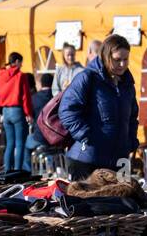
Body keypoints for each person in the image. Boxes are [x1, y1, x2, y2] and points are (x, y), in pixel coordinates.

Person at [58, 34, 139, 181]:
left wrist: (131, 140)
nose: (122, 64)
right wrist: (85, 135)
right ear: (106, 56)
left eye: (125, 59)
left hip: (119, 160)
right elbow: (67, 110)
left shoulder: (127, 84)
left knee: (120, 202)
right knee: (89, 203)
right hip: (87, 159)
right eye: (117, 60)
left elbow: (132, 116)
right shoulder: (87, 78)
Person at [0, 51, 34, 173]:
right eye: (21, 63)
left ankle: (7, 170)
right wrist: (29, 113)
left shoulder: (1, 74)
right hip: (17, 110)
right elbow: (25, 97)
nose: (21, 66)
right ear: (17, 62)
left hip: (5, 111)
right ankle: (18, 171)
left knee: (10, 143)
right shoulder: (21, 76)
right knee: (20, 143)